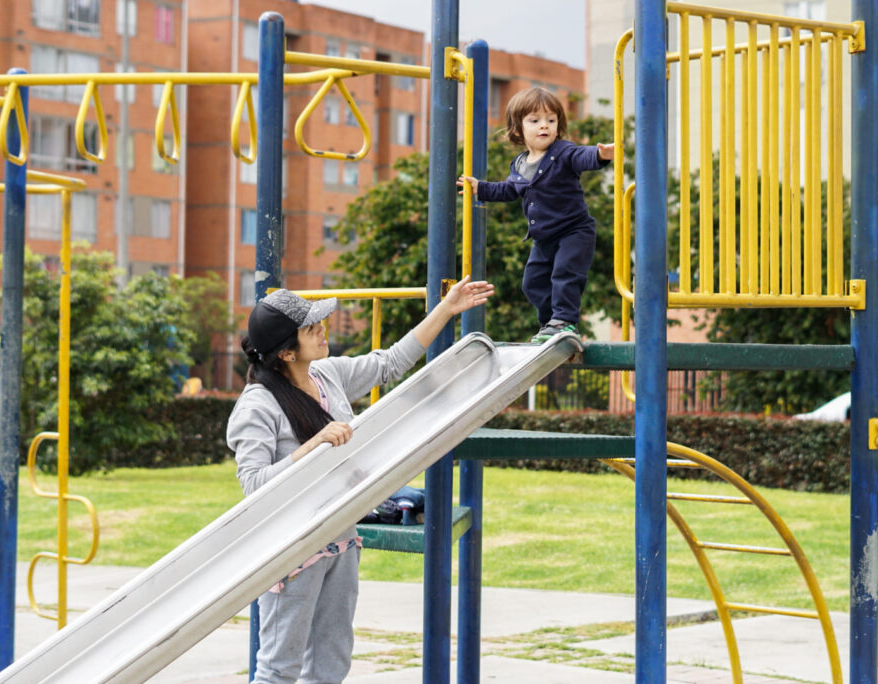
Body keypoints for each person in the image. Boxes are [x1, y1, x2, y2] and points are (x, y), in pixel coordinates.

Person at [226, 276, 493, 684]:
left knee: (331, 666)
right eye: (310, 328)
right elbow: (254, 487)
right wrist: (311, 447)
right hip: (293, 553)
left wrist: (446, 308)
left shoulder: (327, 376)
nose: (322, 330)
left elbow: (390, 363)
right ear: (285, 352)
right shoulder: (258, 405)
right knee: (279, 669)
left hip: (341, 542)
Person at [458, 86, 614, 344]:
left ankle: (565, 321)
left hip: (574, 231)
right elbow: (509, 189)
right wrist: (480, 188)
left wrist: (600, 154)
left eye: (551, 120)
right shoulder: (520, 164)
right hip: (544, 238)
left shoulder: (564, 152)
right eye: (535, 120)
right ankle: (550, 324)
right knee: (532, 282)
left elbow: (582, 156)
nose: (544, 126)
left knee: (564, 274)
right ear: (518, 129)